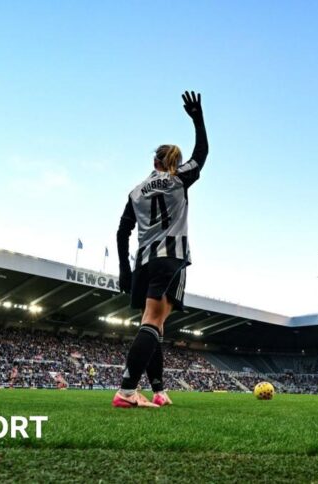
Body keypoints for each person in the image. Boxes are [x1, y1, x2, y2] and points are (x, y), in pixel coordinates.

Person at [114, 91, 208, 408]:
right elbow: (203, 153)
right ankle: (127, 391)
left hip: (142, 261)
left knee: (154, 322)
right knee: (153, 321)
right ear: (174, 163)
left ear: (153, 161)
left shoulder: (136, 191)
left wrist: (123, 270)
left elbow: (122, 230)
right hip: (170, 256)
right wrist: (198, 118)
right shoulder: (179, 178)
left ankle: (157, 388)